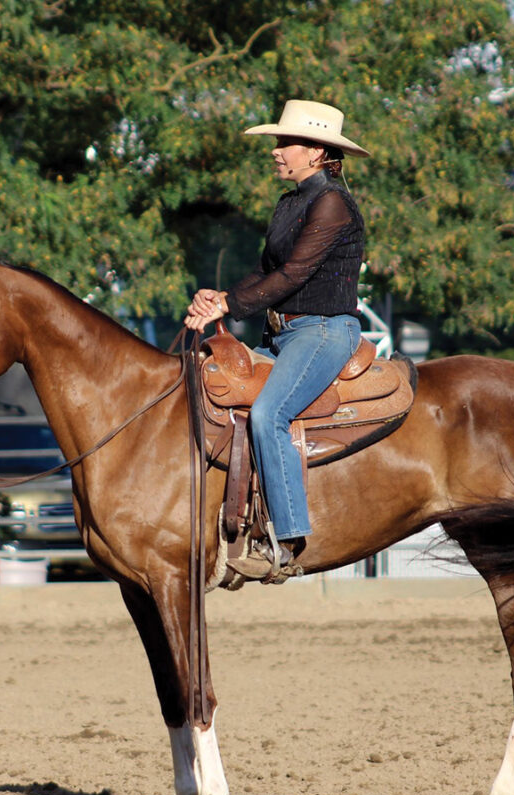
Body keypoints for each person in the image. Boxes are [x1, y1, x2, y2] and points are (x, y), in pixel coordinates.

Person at [184, 99, 369, 577]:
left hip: (324, 331)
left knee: (269, 414)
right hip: (283, 333)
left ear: (316, 152)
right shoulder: (291, 202)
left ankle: (286, 541)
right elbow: (267, 271)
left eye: (286, 142)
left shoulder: (332, 203)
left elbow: (294, 274)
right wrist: (221, 297)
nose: (276, 150)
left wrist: (229, 306)